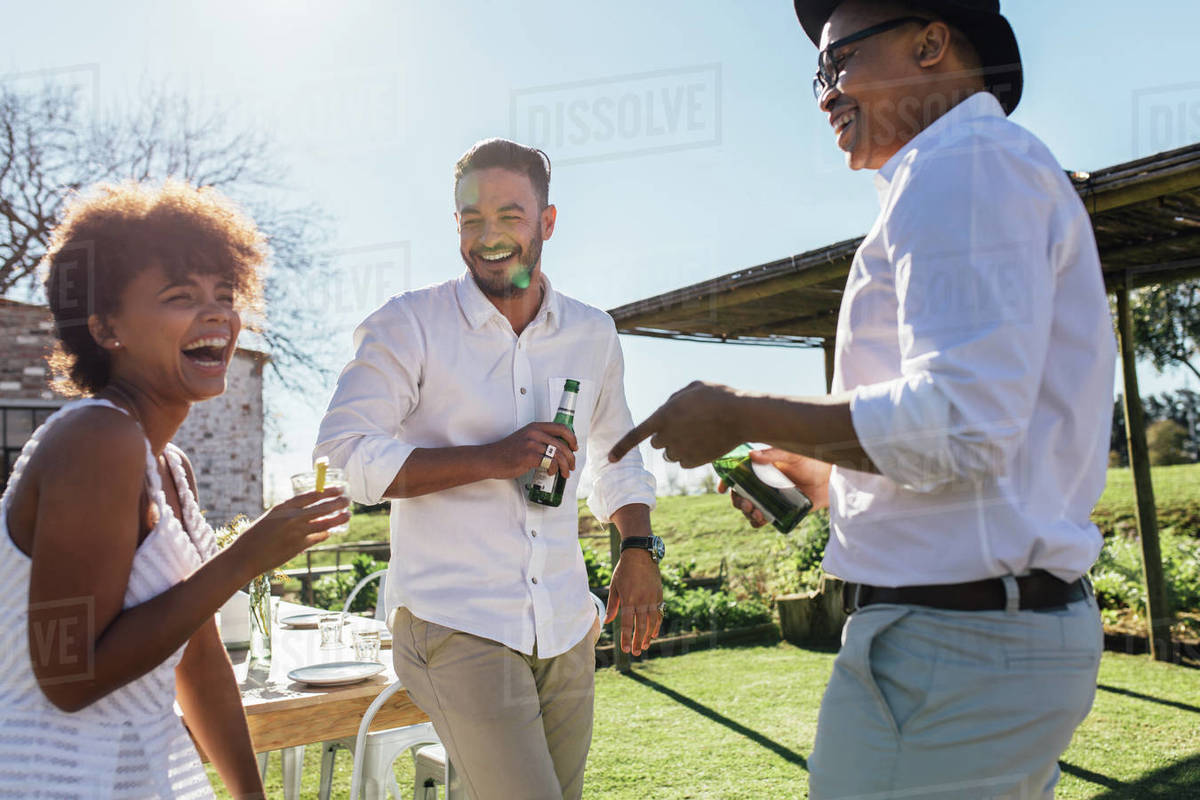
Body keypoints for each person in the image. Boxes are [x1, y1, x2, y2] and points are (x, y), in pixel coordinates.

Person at [609, 1, 1115, 797]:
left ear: (930, 43)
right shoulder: (972, 165)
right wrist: (831, 480)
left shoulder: (963, 162)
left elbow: (961, 426)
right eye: (820, 72)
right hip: (980, 640)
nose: (823, 95)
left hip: (952, 650)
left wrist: (739, 410)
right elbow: (976, 445)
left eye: (837, 61)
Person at [314, 138, 662, 800]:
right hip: (456, 622)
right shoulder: (409, 324)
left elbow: (617, 451)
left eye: (510, 215)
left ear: (547, 223)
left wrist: (638, 546)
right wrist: (492, 458)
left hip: (563, 623)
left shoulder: (592, 334)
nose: (489, 235)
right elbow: (344, 451)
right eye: (471, 218)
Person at [0, 180, 350, 799]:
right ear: (107, 327)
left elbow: (198, 658)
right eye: (180, 296)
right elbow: (66, 676)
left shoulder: (172, 466)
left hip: (139, 777)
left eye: (225, 294)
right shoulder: (95, 439)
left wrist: (250, 794)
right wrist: (246, 558)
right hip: (54, 779)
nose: (217, 314)